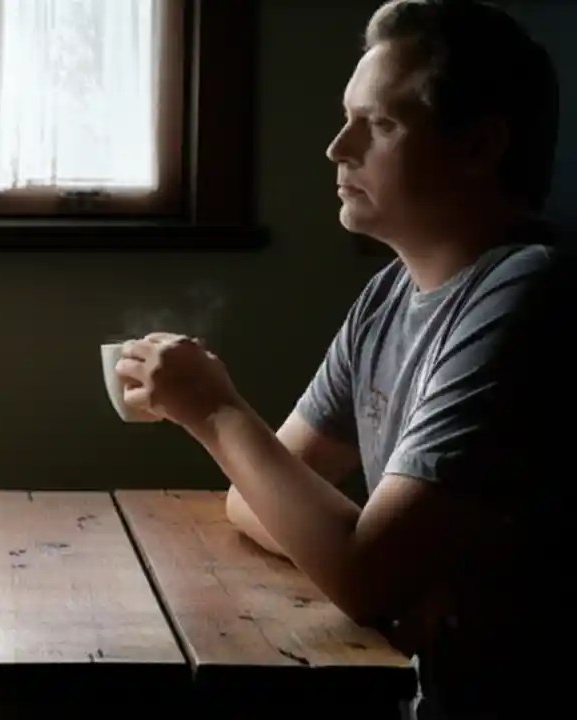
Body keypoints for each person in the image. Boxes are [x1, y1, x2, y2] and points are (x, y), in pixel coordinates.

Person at [115, 1, 570, 718]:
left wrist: (213, 410)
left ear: (480, 147)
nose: (337, 147)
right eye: (346, 115)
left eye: (380, 123)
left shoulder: (529, 293)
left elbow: (360, 572)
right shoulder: (388, 296)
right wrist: (377, 561)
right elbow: (255, 499)